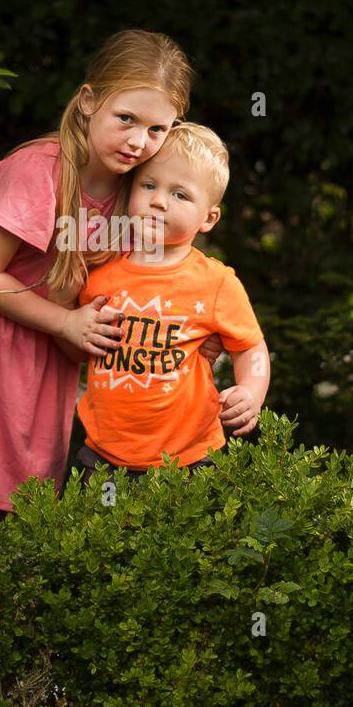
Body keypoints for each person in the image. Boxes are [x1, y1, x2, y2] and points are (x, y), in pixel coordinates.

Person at [0, 29, 218, 545]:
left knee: (27, 498)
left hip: (48, 345)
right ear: (87, 101)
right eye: (125, 118)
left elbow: (162, 271)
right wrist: (65, 320)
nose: (136, 141)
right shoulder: (38, 171)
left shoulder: (139, 189)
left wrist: (193, 331)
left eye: (155, 129)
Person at [68, 122, 270, 484]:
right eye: (149, 185)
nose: (158, 200)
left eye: (180, 195)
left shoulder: (216, 282)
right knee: (98, 538)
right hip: (101, 452)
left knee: (185, 539)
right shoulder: (99, 274)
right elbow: (75, 338)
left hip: (188, 459)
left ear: (209, 218)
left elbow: (251, 347)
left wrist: (251, 392)